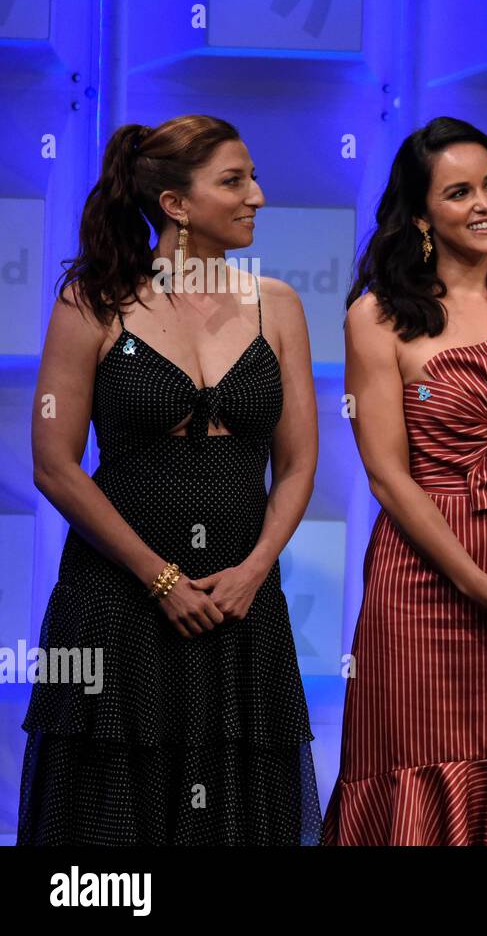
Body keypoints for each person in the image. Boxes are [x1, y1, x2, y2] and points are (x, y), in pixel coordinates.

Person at [21, 115, 321, 844]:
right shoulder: (92, 299)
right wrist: (161, 578)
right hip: (116, 604)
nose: (258, 195)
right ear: (176, 204)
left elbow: (299, 464)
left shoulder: (276, 304)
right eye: (235, 180)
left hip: (239, 607)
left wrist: (253, 571)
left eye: (252, 176)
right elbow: (54, 464)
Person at [324, 117, 487, 846]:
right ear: (419, 215)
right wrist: (479, 583)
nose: (485, 203)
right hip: (422, 583)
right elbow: (387, 474)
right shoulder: (375, 319)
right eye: (459, 191)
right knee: (412, 765)